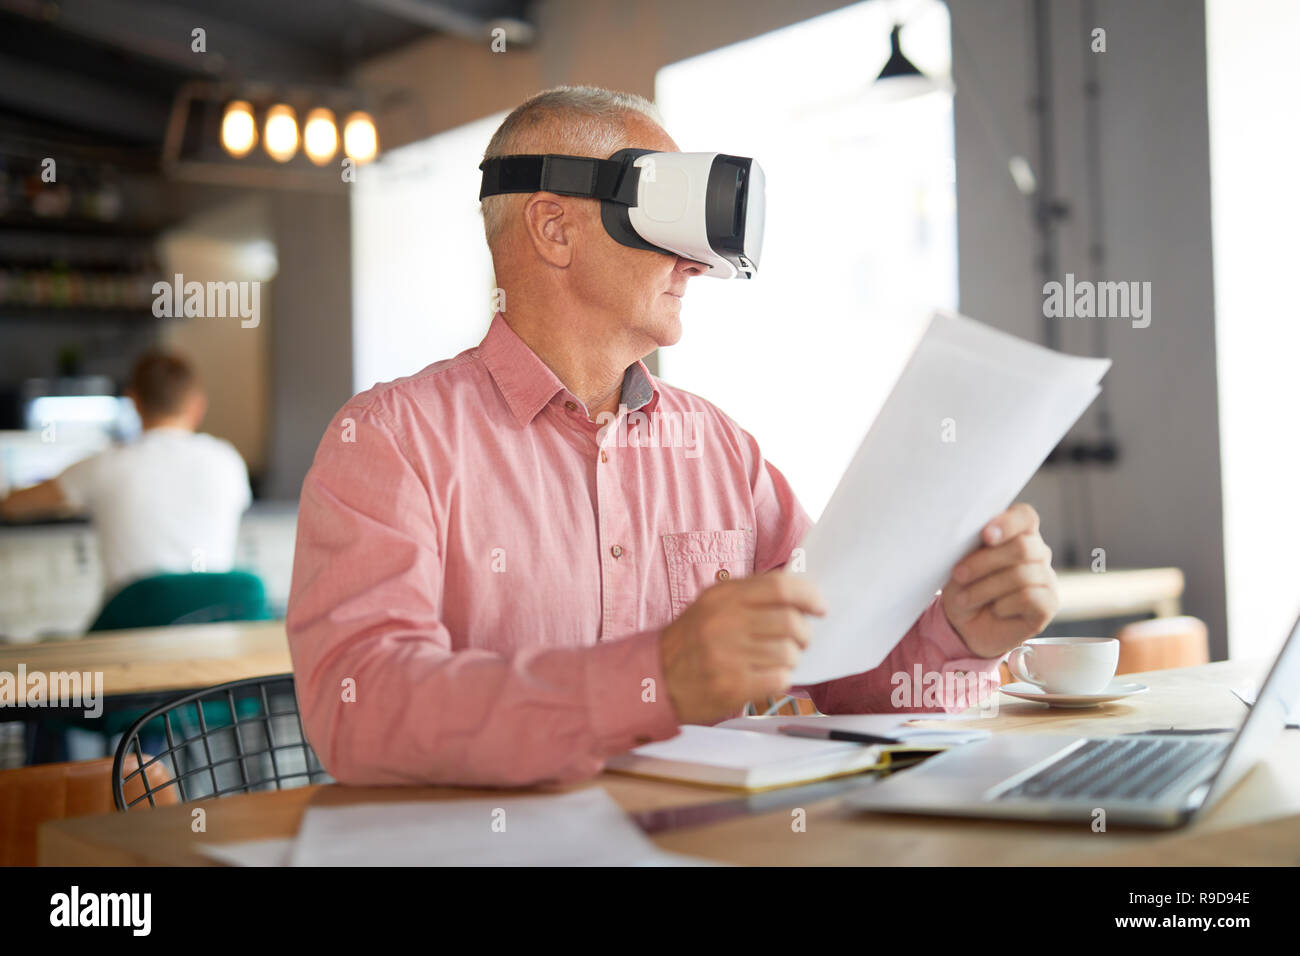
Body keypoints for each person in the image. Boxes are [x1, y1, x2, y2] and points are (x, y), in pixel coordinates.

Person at [287, 86, 1059, 787]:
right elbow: (360, 707)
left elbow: (839, 673)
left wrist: (960, 632)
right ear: (553, 227)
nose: (697, 261)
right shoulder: (392, 439)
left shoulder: (722, 451)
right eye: (663, 216)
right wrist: (653, 675)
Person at [0, 350, 252, 598]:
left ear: (133, 402)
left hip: (130, 627)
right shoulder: (228, 460)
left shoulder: (103, 465)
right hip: (215, 626)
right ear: (198, 406)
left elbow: (11, 505)